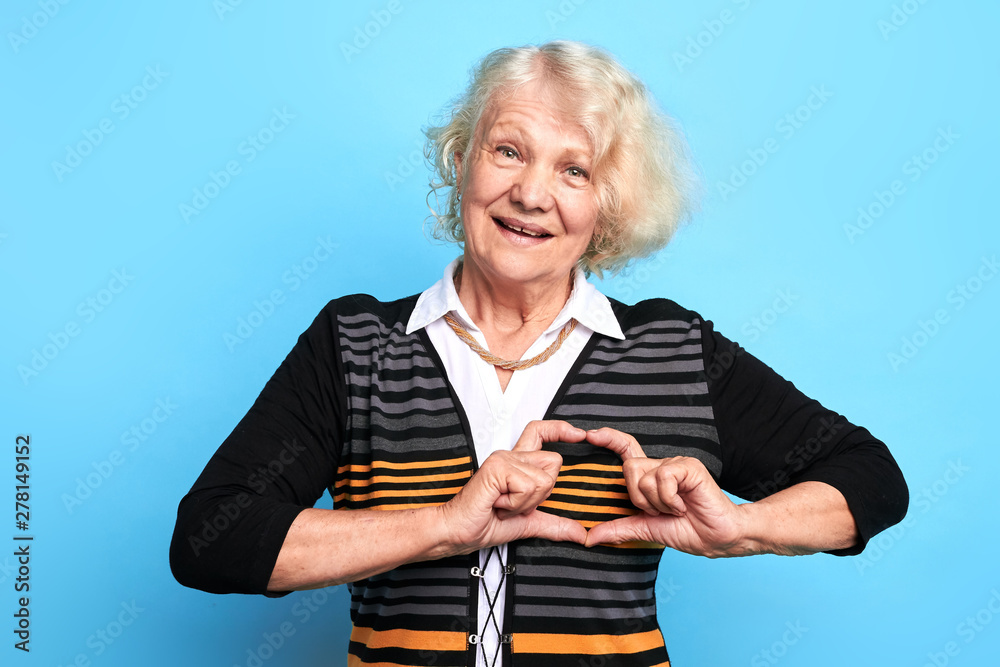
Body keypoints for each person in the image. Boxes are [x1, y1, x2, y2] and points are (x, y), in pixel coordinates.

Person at [170, 41, 908, 667]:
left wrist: (740, 529)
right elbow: (212, 539)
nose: (531, 193)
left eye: (573, 170)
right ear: (462, 161)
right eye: (508, 151)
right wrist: (443, 523)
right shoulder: (356, 345)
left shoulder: (673, 350)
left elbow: (870, 479)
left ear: (606, 204)